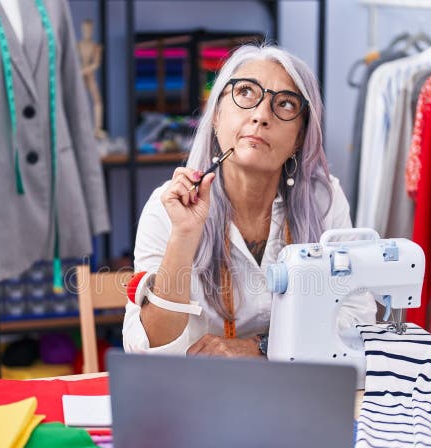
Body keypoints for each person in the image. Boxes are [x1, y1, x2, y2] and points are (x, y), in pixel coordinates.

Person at [123, 43, 376, 357]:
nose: (260, 116)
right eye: (245, 93)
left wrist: (260, 348)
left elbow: (358, 318)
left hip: (293, 387)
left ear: (300, 137)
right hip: (197, 391)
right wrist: (184, 237)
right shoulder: (169, 206)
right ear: (216, 115)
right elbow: (147, 349)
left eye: (284, 104)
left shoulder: (323, 198)